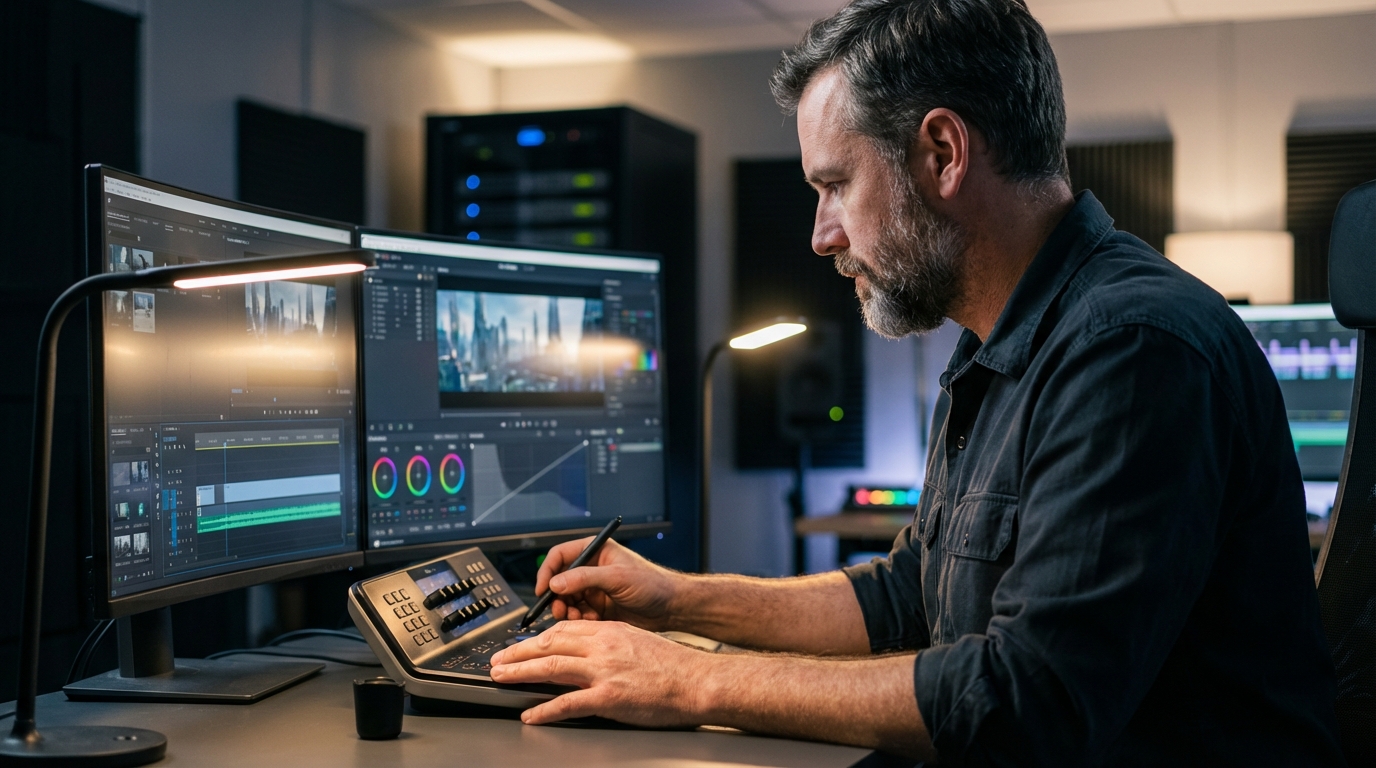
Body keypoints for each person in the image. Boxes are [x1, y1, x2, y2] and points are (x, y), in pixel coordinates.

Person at [490, 0, 1345, 763]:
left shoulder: (1132, 349)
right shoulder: (997, 346)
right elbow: (910, 595)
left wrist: (689, 684)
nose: (822, 235)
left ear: (941, 151)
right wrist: (679, 602)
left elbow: (1030, 698)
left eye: (835, 185)